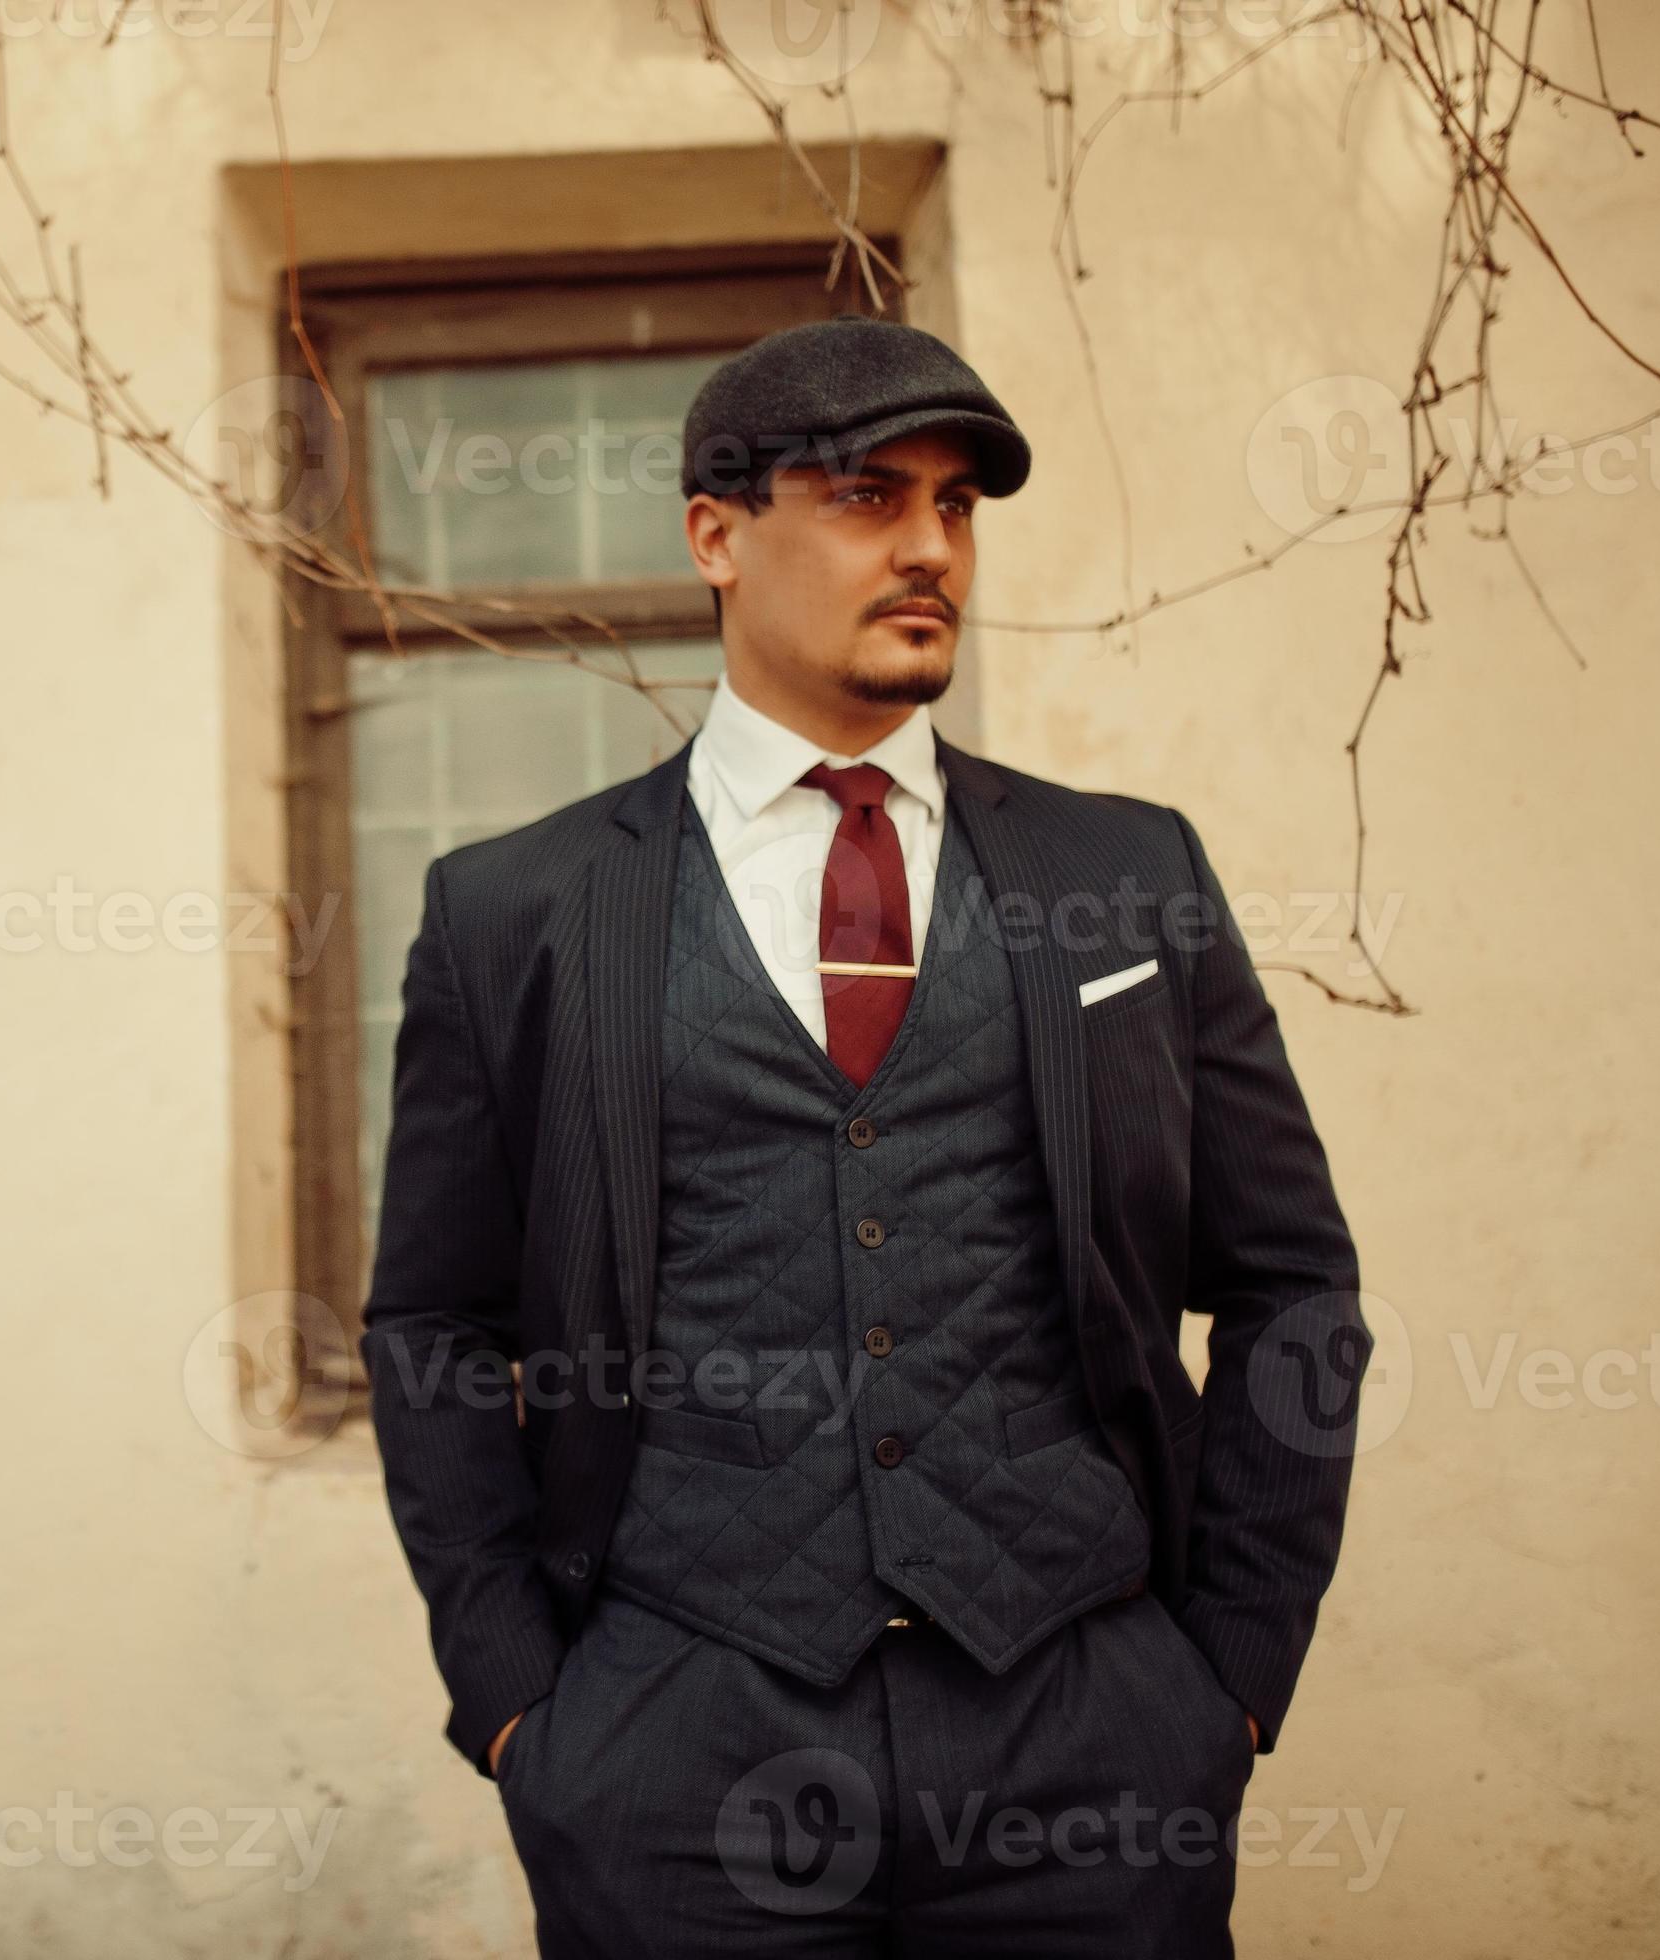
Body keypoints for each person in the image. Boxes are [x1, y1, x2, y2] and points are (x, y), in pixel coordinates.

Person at [360, 314, 1370, 1957]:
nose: (928, 550)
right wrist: (517, 1700)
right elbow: (434, 1325)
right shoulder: (515, 911)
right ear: (715, 535)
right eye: (863, 497)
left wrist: (1229, 1672)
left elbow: (1288, 1283)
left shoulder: (1123, 876)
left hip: (1090, 1732)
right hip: (672, 1745)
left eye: (954, 505)